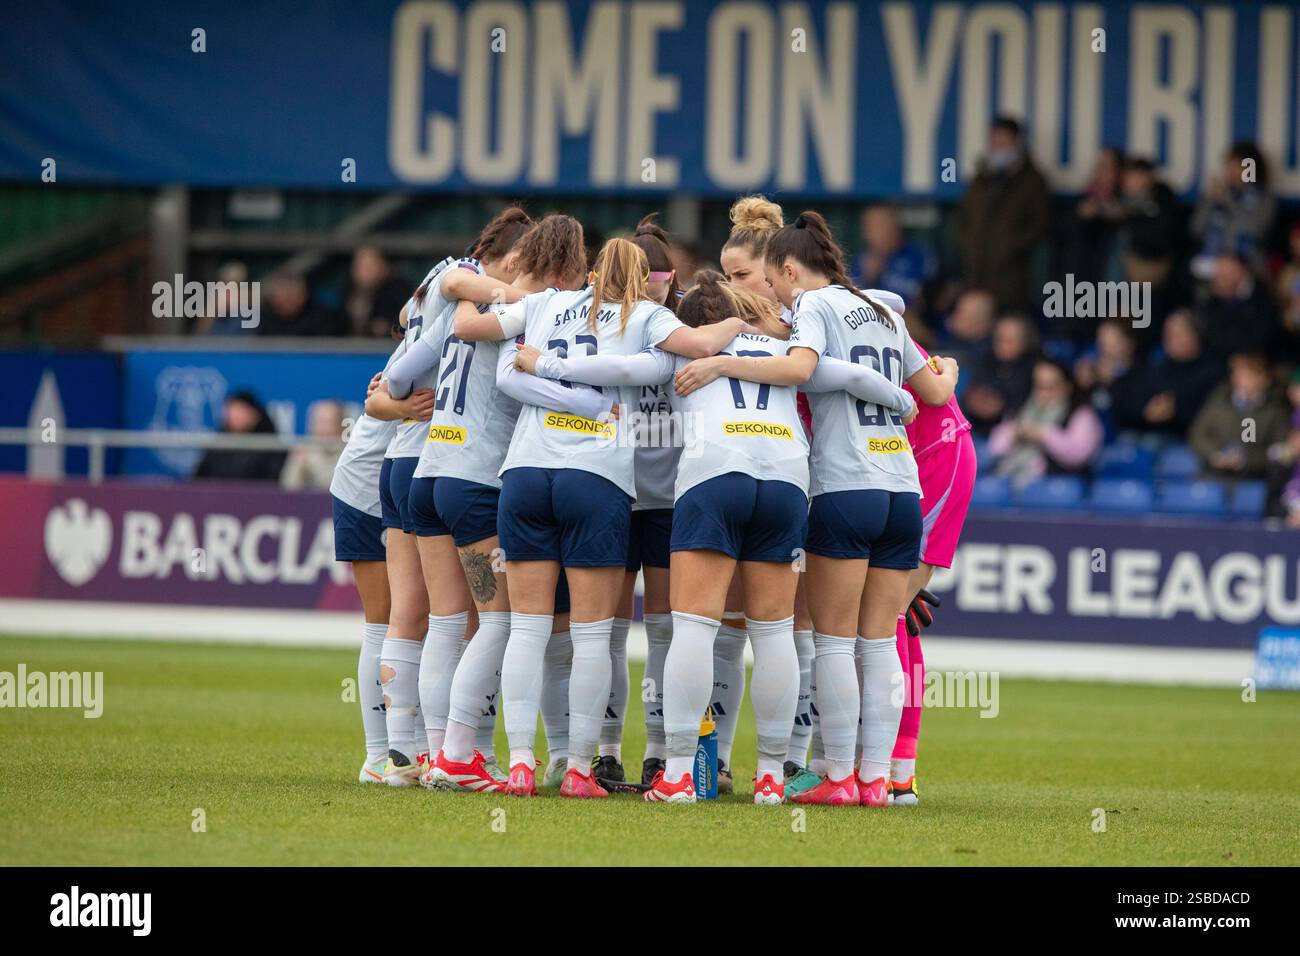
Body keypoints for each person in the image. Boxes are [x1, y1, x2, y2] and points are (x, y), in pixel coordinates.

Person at [515, 270, 919, 803]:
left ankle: (680, 772)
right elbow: (851, 366)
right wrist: (902, 399)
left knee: (694, 629)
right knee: (774, 634)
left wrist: (546, 364)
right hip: (785, 480)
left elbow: (619, 370)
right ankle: (771, 776)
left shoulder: (682, 350)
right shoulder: (784, 348)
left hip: (715, 476)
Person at [453, 237, 757, 799]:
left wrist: (461, 280)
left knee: (527, 628)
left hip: (526, 472)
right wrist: (741, 322)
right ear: (642, 280)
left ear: (593, 273)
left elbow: (476, 335)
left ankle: (520, 764)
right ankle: (579, 769)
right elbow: (690, 347)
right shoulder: (646, 315)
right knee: (595, 637)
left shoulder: (544, 302)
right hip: (596, 479)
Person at [674, 212, 957, 806]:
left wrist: (723, 361)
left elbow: (802, 368)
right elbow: (934, 391)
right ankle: (877, 780)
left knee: (831, 642)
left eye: (773, 282)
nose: (775, 297)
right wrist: (946, 367)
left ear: (789, 269)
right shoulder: (884, 310)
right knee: (879, 643)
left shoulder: (812, 306)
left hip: (846, 486)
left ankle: (837, 778)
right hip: (903, 489)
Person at [392, 214, 594, 793]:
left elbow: (400, 374)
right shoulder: (529, 312)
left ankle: (439, 754)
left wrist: (400, 404)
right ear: (561, 268)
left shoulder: (468, 307)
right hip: (476, 483)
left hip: (428, 474)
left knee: (447, 622)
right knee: (501, 621)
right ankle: (459, 756)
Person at [364, 207, 535, 786]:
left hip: (410, 464)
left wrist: (396, 404)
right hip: (452, 467)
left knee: (429, 618)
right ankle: (457, 753)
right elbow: (462, 286)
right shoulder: (475, 288)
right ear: (515, 259)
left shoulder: (441, 293)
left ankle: (407, 753)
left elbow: (390, 381)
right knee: (480, 620)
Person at [329, 352, 431, 784]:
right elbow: (376, 405)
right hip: (366, 491)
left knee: (413, 622)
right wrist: (402, 407)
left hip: (392, 483)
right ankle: (379, 756)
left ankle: (411, 751)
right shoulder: (431, 333)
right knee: (387, 622)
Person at [957, 117, 1050, 311]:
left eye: (1003, 142)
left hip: (1012, 279)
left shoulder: (1033, 181)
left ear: (1016, 142)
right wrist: (969, 244)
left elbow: (1040, 224)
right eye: (995, 142)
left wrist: (1010, 246)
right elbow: (964, 218)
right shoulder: (980, 179)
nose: (998, 147)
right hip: (976, 273)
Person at [988, 358, 1104, 485]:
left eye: (1050, 386)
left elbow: (1078, 455)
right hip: (1012, 481)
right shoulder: (1021, 410)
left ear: (1067, 386)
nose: (1043, 392)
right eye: (1039, 385)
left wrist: (1043, 435)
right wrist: (1014, 433)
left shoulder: (1082, 414)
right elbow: (994, 449)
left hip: (1058, 486)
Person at [1110, 309, 1221, 438]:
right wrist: (1145, 410)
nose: (1169, 339)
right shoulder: (1157, 364)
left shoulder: (1213, 371)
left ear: (1195, 335)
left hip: (1186, 440)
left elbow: (1213, 414)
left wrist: (1176, 410)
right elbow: (1128, 398)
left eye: (1177, 334)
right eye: (1167, 334)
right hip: (1145, 435)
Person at [1189, 353, 1288, 480]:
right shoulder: (1219, 401)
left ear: (1264, 378)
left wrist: (1245, 460)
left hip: (1256, 477)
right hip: (1215, 474)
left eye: (1248, 375)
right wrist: (1215, 454)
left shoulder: (1276, 409)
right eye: (1237, 374)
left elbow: (1278, 450)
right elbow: (1198, 433)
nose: (1240, 379)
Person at [1191, 141, 1276, 279]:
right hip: (1211, 263)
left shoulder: (1264, 198)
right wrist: (1210, 202)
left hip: (1247, 265)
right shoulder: (1216, 196)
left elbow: (1253, 229)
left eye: (1237, 166)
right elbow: (1196, 229)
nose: (1231, 171)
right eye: (1229, 165)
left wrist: (1226, 201)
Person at [848, 203, 935, 319]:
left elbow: (927, 302)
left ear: (895, 226)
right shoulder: (859, 263)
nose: (875, 233)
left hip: (909, 321)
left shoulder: (918, 257)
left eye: (880, 225)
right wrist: (869, 277)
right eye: (870, 227)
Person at [193, 390, 286, 482]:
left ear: (255, 414)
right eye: (231, 410)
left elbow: (273, 482)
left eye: (240, 410)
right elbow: (199, 478)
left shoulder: (271, 446)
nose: (235, 416)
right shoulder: (218, 445)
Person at [342, 246, 412, 338]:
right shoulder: (346, 291)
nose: (364, 272)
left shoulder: (399, 292)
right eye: (360, 266)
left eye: (369, 266)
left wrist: (387, 327)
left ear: (384, 267)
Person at [257, 271, 347, 337]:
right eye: (283, 296)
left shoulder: (323, 319)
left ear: (304, 294)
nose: (287, 301)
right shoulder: (263, 319)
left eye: (292, 295)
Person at [280, 400, 345, 491]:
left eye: (328, 422)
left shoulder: (349, 453)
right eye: (319, 422)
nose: (323, 428)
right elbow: (288, 489)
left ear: (340, 425)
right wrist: (299, 467)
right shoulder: (302, 450)